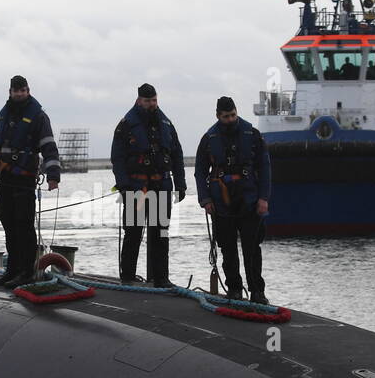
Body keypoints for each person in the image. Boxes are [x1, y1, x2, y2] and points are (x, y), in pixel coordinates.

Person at [0, 75, 61, 288]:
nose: (20, 94)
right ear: (10, 92)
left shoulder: (39, 116)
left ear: (28, 90)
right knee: (9, 226)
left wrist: (53, 176)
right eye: (16, 91)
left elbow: (49, 147)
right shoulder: (3, 115)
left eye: (23, 90)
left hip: (24, 179)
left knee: (24, 226)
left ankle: (26, 272)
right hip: (3, 178)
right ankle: (12, 270)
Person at [195, 96, 272, 305]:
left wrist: (264, 198)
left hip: (249, 200)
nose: (230, 120)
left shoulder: (252, 135)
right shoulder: (209, 138)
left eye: (233, 115)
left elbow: (265, 168)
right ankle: (234, 290)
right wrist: (205, 199)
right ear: (218, 116)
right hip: (222, 203)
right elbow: (200, 171)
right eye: (226, 117)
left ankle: (257, 292)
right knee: (228, 249)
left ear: (236, 112)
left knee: (252, 249)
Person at [111, 83, 186, 288]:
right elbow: (117, 157)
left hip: (161, 184)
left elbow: (177, 154)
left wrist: (180, 184)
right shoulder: (126, 124)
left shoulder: (166, 123)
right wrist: (123, 185)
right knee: (134, 232)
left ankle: (160, 277)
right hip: (136, 187)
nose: (151, 104)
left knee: (160, 233)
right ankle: (127, 276)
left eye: (154, 100)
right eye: (147, 101)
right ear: (138, 100)